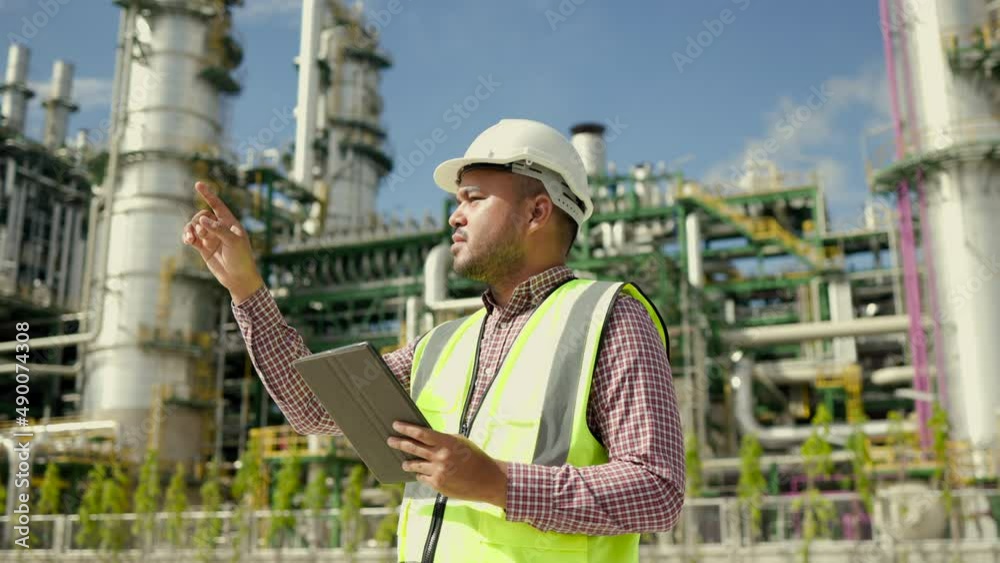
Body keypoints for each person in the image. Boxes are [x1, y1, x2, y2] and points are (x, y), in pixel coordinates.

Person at [182, 118, 684, 562]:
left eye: (474, 198)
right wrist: (247, 288)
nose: (454, 216)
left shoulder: (609, 317)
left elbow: (658, 490)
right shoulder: (442, 344)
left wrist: (499, 484)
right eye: (456, 201)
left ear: (536, 213)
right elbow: (313, 409)